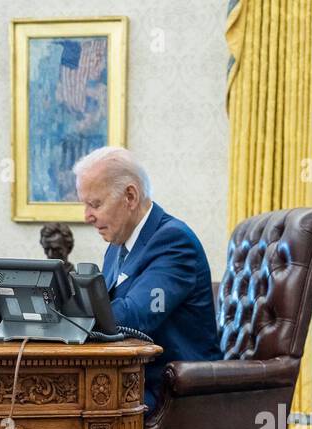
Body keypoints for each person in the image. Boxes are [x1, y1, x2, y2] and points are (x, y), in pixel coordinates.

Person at [73, 146, 221, 411]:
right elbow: (106, 309)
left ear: (130, 196)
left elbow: (133, 320)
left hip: (172, 392)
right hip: (133, 379)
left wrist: (68, 312)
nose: (87, 216)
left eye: (95, 204)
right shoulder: (118, 244)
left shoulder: (174, 241)